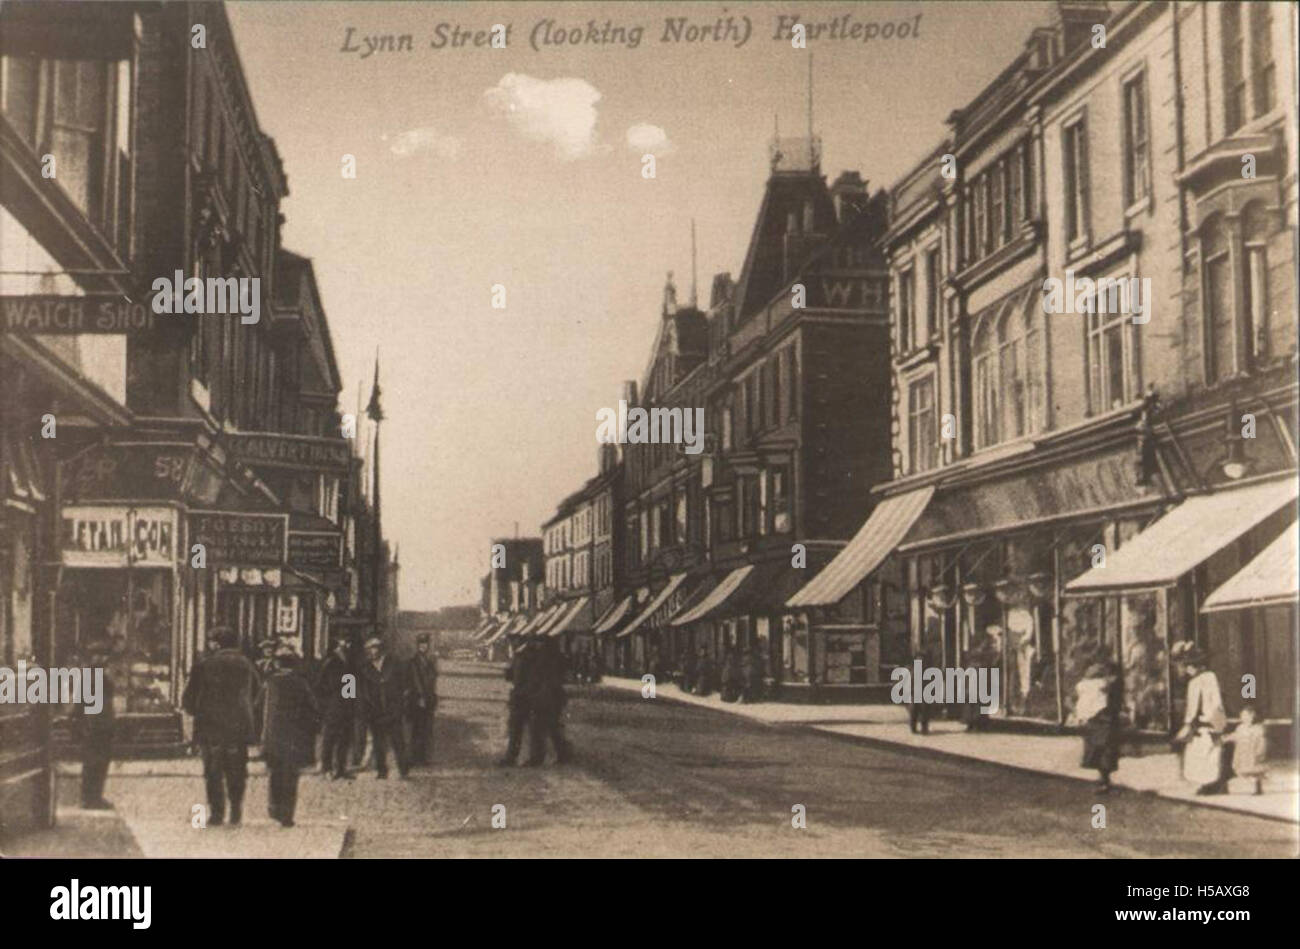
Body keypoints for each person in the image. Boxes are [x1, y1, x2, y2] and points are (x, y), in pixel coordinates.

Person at [182, 625, 257, 826]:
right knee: (237, 769)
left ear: (216, 643)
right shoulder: (246, 664)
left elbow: (189, 698)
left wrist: (195, 711)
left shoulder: (204, 665)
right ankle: (235, 810)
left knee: (213, 772)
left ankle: (217, 813)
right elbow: (257, 692)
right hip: (238, 728)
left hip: (211, 727)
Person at [261, 643, 321, 827]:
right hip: (294, 737)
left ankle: (274, 808)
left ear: (277, 664)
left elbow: (257, 706)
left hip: (273, 736)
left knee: (275, 774)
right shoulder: (300, 683)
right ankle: (287, 814)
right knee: (290, 776)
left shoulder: (270, 683)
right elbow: (313, 708)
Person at [1172, 644, 1228, 795]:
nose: (1187, 670)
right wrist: (1189, 723)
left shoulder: (1209, 678)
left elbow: (1215, 702)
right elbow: (1192, 707)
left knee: (1210, 754)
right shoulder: (1194, 682)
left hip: (1208, 722)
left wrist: (1217, 722)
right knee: (1199, 754)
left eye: (1188, 666)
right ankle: (1207, 783)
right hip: (1199, 724)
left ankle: (1214, 784)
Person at [72, 641, 116, 810]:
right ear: (93, 657)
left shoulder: (102, 675)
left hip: (103, 725)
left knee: (101, 762)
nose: (102, 658)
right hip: (93, 726)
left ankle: (95, 796)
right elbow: (79, 702)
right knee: (92, 762)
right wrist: (79, 722)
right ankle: (88, 798)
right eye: (99, 655)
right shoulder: (89, 676)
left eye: (104, 655)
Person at [360, 637, 409, 779]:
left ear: (381, 649)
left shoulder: (394, 664)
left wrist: (400, 705)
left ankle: (403, 769)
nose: (373, 651)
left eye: (375, 648)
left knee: (397, 741)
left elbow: (403, 685)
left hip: (392, 709)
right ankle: (382, 771)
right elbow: (362, 691)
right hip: (375, 711)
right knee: (378, 743)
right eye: (370, 649)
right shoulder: (365, 668)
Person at [1074, 661, 1122, 791]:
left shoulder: (1090, 685)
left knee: (1102, 748)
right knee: (1102, 749)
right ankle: (1104, 778)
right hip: (1099, 719)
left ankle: (1104, 779)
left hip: (1100, 719)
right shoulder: (1096, 685)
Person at [526, 637, 572, 766]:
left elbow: (537, 677)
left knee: (537, 728)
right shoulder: (560, 658)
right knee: (553, 727)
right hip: (555, 697)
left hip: (544, 697)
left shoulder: (542, 659)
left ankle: (537, 757)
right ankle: (563, 754)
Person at [317, 637, 355, 779]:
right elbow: (320, 685)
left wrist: (351, 700)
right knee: (329, 738)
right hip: (332, 707)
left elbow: (351, 685)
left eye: (345, 645)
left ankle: (341, 768)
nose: (344, 647)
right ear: (336, 648)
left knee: (344, 738)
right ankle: (326, 768)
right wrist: (326, 703)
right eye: (341, 645)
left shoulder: (349, 663)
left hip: (346, 706)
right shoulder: (330, 663)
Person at [498, 634, 536, 766]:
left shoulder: (521, 656)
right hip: (525, 695)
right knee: (523, 728)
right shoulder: (523, 655)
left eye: (511, 641)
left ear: (516, 640)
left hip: (522, 696)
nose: (510, 644)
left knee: (517, 728)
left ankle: (513, 757)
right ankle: (517, 757)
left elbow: (517, 677)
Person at [1222, 702, 1268, 795]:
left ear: (1252, 716)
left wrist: (1260, 751)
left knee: (1255, 771)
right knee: (1241, 770)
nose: (1243, 717)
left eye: (1245, 715)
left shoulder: (1258, 728)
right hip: (1242, 753)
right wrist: (1226, 738)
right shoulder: (1240, 727)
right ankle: (1225, 785)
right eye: (1242, 715)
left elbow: (1262, 741)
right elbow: (1235, 736)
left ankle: (1258, 788)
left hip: (1253, 753)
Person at [407, 633, 438, 767]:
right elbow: (416, 680)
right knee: (417, 729)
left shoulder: (429, 661)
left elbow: (432, 680)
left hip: (428, 699)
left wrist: (432, 697)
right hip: (418, 700)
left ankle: (422, 757)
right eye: (421, 644)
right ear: (417, 646)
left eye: (425, 644)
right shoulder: (414, 661)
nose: (423, 647)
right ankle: (414, 758)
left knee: (426, 729)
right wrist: (420, 697)